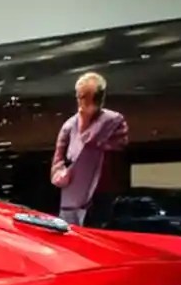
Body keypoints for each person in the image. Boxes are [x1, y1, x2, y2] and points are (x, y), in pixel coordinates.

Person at [51, 72, 129, 226]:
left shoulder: (114, 121)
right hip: (72, 199)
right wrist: (59, 174)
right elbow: (58, 161)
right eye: (81, 97)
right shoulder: (68, 126)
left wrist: (86, 125)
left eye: (89, 98)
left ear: (99, 99)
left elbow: (101, 146)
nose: (83, 103)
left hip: (101, 196)